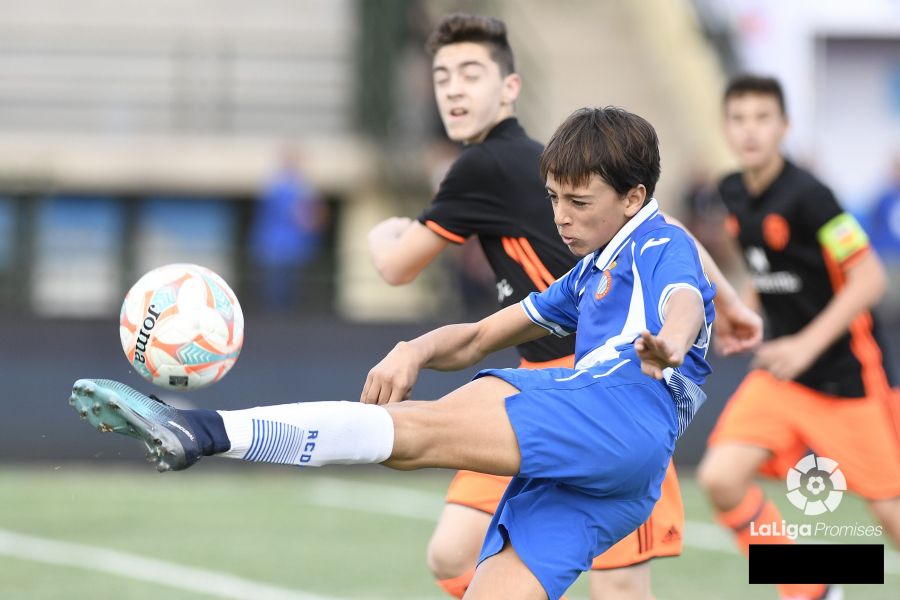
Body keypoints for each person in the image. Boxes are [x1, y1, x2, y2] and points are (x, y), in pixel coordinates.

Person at [70, 106, 742, 599]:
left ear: (634, 197)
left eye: (578, 202)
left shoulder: (661, 244)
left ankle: (205, 429)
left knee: (413, 434)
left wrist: (671, 344)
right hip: (624, 474)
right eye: (552, 200)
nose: (560, 217)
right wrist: (414, 347)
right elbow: (482, 334)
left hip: (610, 409)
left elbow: (684, 300)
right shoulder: (593, 268)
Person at [366, 14, 707, 599]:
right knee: (453, 554)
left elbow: (397, 267)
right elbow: (668, 230)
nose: (453, 88)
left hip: (597, 391)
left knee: (622, 583)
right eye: (442, 74)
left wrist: (385, 233)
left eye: (471, 73)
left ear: (510, 88)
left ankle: (817, 581)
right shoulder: (552, 160)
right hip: (531, 380)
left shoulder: (483, 165)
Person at [696, 75, 900, 600]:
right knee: (721, 478)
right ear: (725, 127)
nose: (750, 131)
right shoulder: (733, 192)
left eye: (763, 118)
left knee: (889, 514)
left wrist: (806, 345)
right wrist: (743, 310)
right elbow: (767, 267)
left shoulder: (813, 197)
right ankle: (809, 585)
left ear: (784, 127)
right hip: (780, 378)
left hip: (843, 377)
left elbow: (870, 278)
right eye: (739, 119)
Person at [248, 145, 325, 312]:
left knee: (292, 297)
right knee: (276, 298)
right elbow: (300, 216)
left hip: (293, 251)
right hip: (276, 251)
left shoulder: (301, 185)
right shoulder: (280, 186)